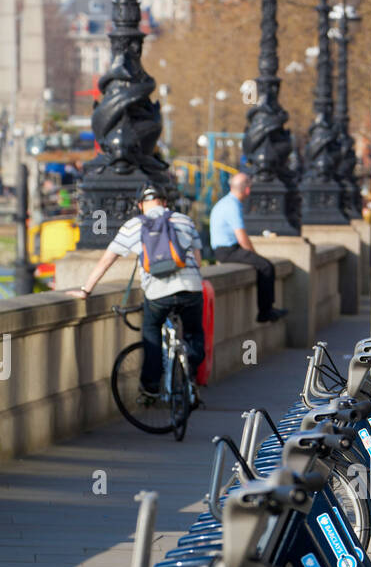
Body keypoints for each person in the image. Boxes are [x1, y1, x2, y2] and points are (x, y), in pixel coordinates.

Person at [65, 183, 205, 402]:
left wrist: (85, 290)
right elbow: (197, 260)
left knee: (151, 330)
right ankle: (190, 376)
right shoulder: (184, 220)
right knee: (194, 333)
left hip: (158, 292)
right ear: (165, 202)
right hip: (191, 287)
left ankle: (150, 387)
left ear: (141, 205)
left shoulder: (133, 226)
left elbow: (106, 260)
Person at [209, 172, 286, 323]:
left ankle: (267, 309)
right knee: (266, 266)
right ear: (247, 190)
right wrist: (254, 255)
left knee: (263, 265)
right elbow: (242, 236)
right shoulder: (233, 205)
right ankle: (265, 312)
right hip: (227, 250)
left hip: (223, 249)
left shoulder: (225, 202)